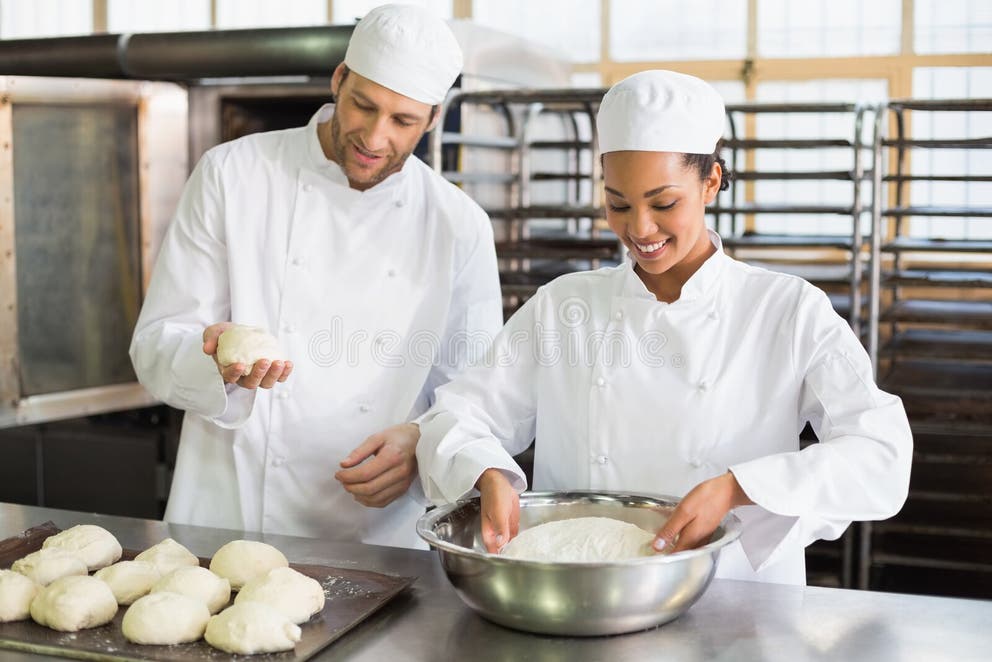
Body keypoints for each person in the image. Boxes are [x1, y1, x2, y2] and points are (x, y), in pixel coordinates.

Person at [415, 70, 913, 583]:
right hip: (583, 604)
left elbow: (881, 455)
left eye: (664, 203)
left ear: (711, 181)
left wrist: (741, 487)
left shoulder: (786, 310)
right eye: (618, 204)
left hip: (738, 605)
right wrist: (486, 470)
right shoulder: (566, 307)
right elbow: (456, 413)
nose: (640, 229)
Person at [129, 4, 502, 548]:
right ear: (338, 80)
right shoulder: (232, 175)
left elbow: (473, 393)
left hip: (381, 537)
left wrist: (420, 446)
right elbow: (155, 347)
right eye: (363, 106)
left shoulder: (458, 223)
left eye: (402, 121)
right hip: (232, 519)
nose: (375, 138)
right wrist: (209, 361)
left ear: (434, 118)